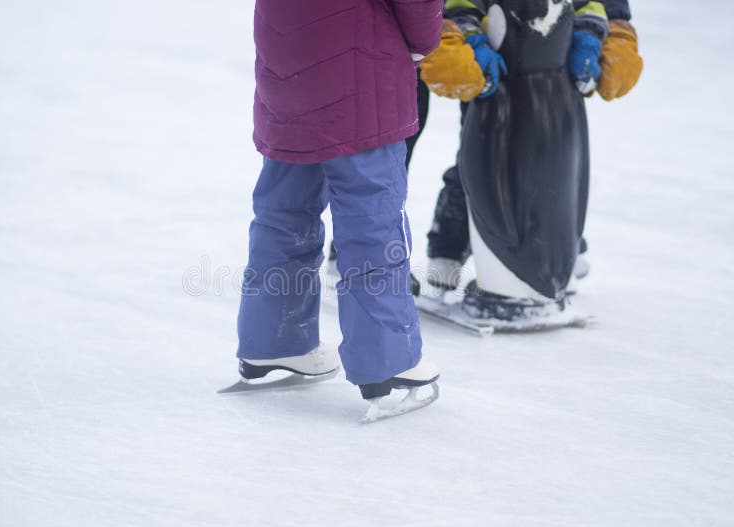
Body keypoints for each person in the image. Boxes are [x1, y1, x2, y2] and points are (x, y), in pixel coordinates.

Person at [229, 0, 444, 417]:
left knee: (283, 212)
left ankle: (275, 343)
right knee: (372, 217)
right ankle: (390, 363)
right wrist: (423, 40)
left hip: (287, 64)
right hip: (361, 69)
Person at [416, 0, 642, 324]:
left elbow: (594, 5)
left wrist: (598, 34)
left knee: (559, 171)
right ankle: (449, 246)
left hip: (558, 83)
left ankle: (559, 253)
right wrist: (466, 37)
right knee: (489, 171)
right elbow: (458, 6)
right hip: (499, 79)